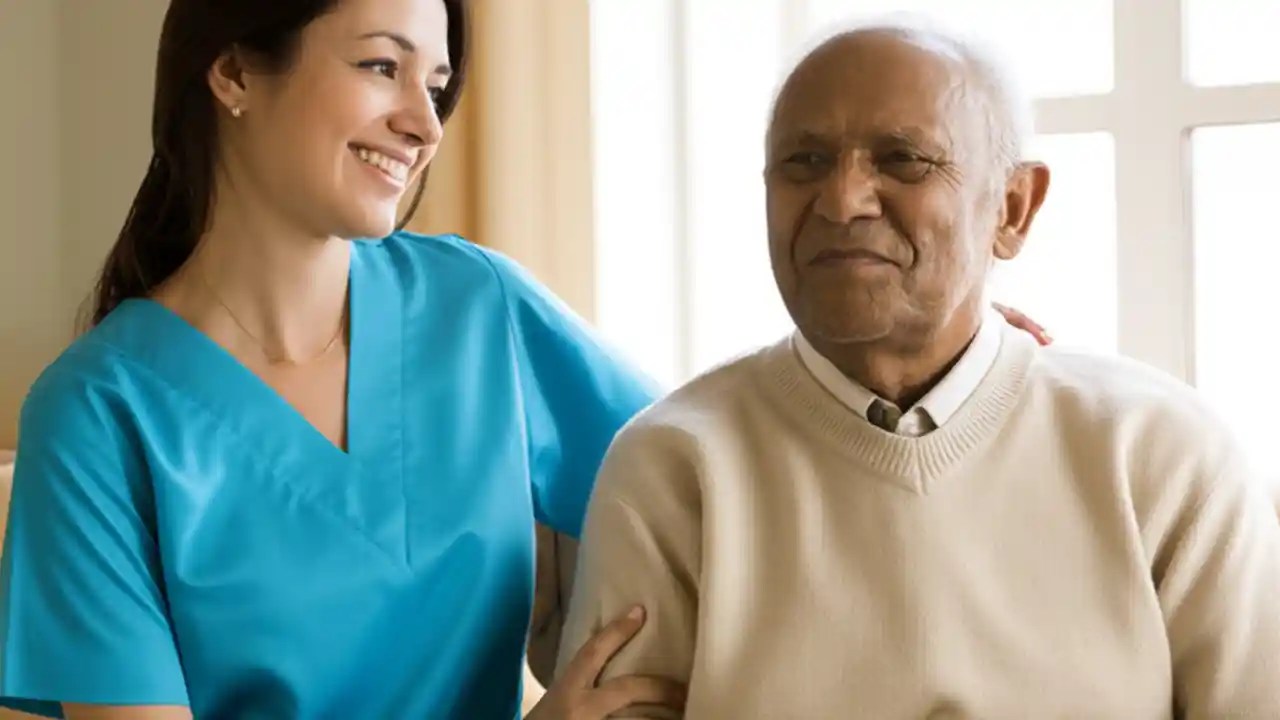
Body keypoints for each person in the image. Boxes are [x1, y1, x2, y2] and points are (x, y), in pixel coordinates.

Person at [0, 2, 1045, 718]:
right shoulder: (97, 416)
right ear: (231, 70)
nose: (421, 121)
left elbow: (734, 466)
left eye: (438, 82)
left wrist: (946, 363)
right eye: (380, 66)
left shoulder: (475, 306)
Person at [555, 17, 1280, 719]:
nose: (841, 201)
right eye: (804, 161)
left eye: (903, 159)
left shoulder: (1161, 453)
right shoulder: (672, 467)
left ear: (1014, 208)